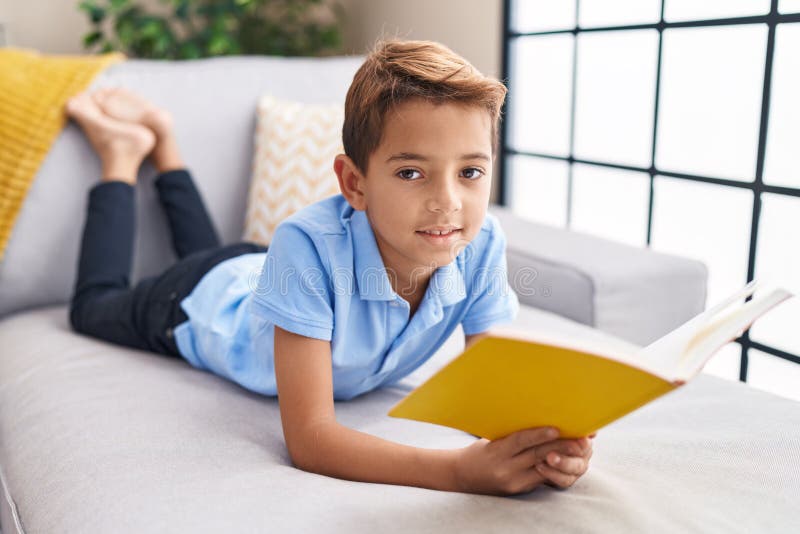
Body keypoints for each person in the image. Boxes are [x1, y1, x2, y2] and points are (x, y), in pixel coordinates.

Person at [66, 38, 594, 496]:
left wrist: (547, 448)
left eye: (471, 171)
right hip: (190, 301)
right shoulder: (305, 245)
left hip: (255, 270)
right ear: (354, 183)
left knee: (215, 251)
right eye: (412, 172)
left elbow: (497, 395)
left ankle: (167, 146)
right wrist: (456, 472)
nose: (447, 202)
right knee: (94, 306)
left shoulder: (480, 244)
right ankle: (122, 156)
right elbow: (312, 439)